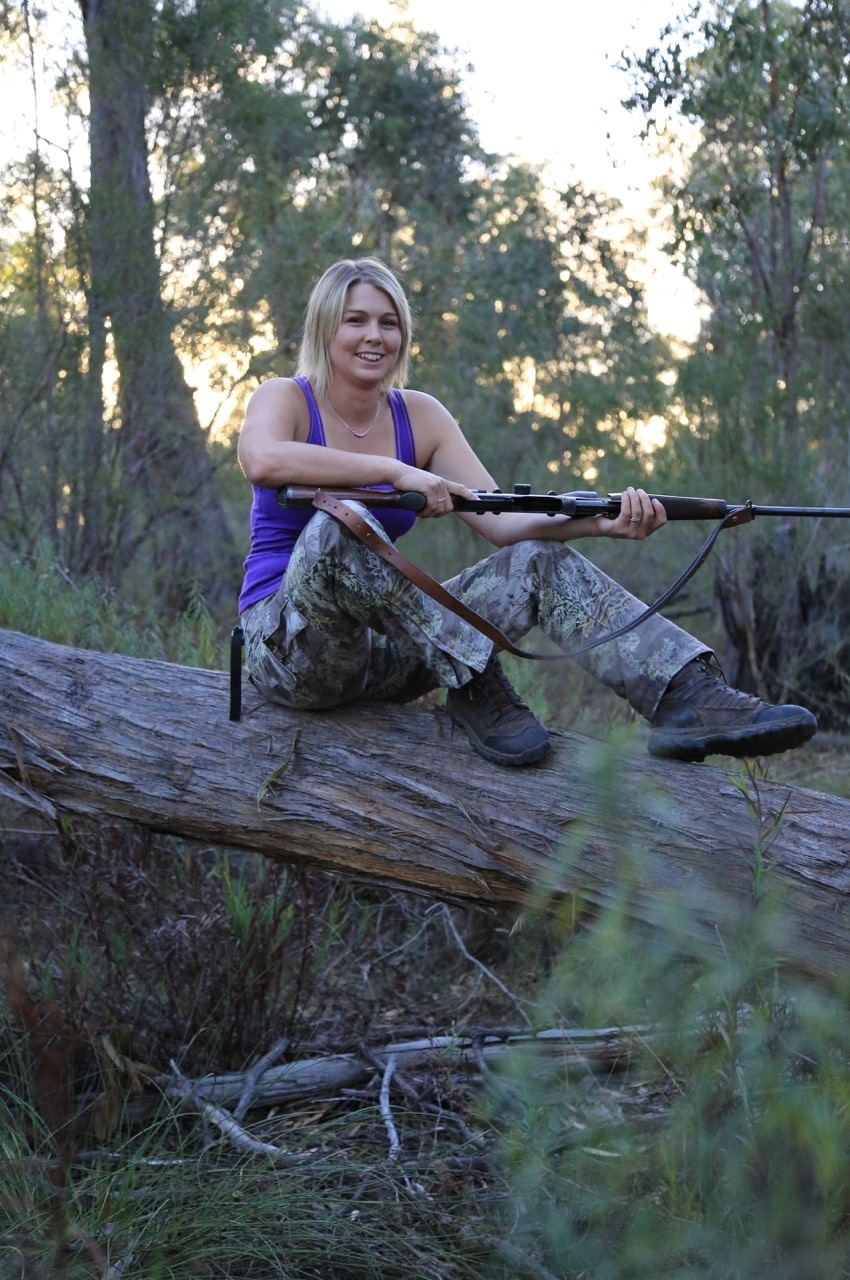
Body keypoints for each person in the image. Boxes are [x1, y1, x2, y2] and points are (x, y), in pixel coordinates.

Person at [237, 257, 817, 767]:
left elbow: (502, 524)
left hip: (390, 656)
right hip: (289, 651)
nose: (374, 336)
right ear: (325, 328)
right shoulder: (285, 397)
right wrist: (394, 472)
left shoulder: (421, 416)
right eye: (355, 320)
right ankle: (472, 679)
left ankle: (686, 697)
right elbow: (261, 460)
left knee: (537, 559)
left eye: (388, 323)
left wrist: (600, 521)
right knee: (334, 530)